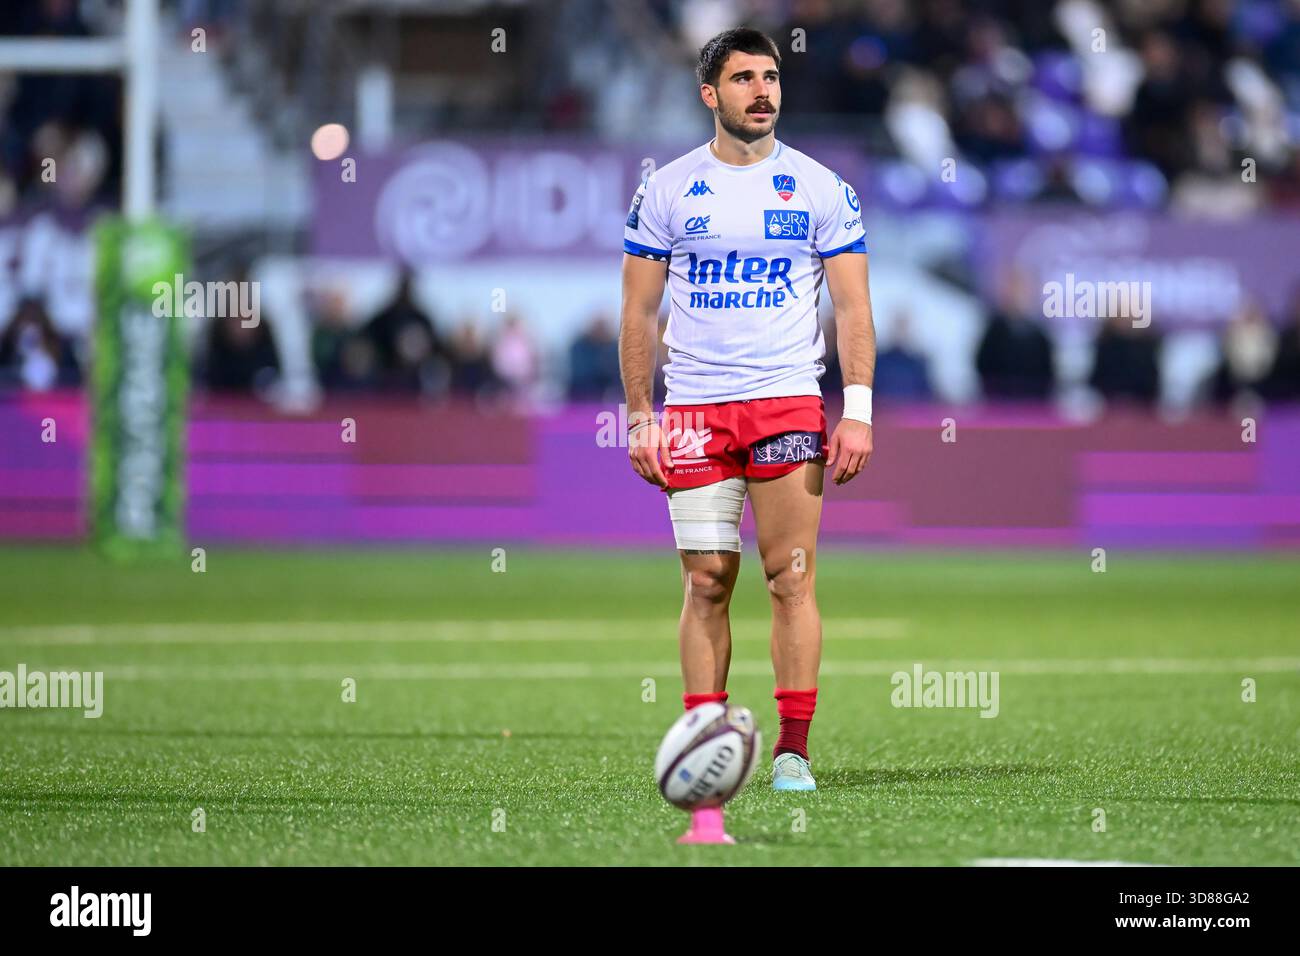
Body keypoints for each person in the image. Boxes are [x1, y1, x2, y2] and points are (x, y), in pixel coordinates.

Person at [618, 27, 876, 838]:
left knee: (790, 578)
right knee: (705, 583)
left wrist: (858, 409)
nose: (762, 91)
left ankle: (792, 750)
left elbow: (854, 307)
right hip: (694, 409)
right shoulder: (665, 190)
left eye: (770, 77)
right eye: (743, 79)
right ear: (710, 94)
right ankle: (707, 737)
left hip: (787, 402)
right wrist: (639, 415)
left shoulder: (821, 187)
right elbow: (637, 311)